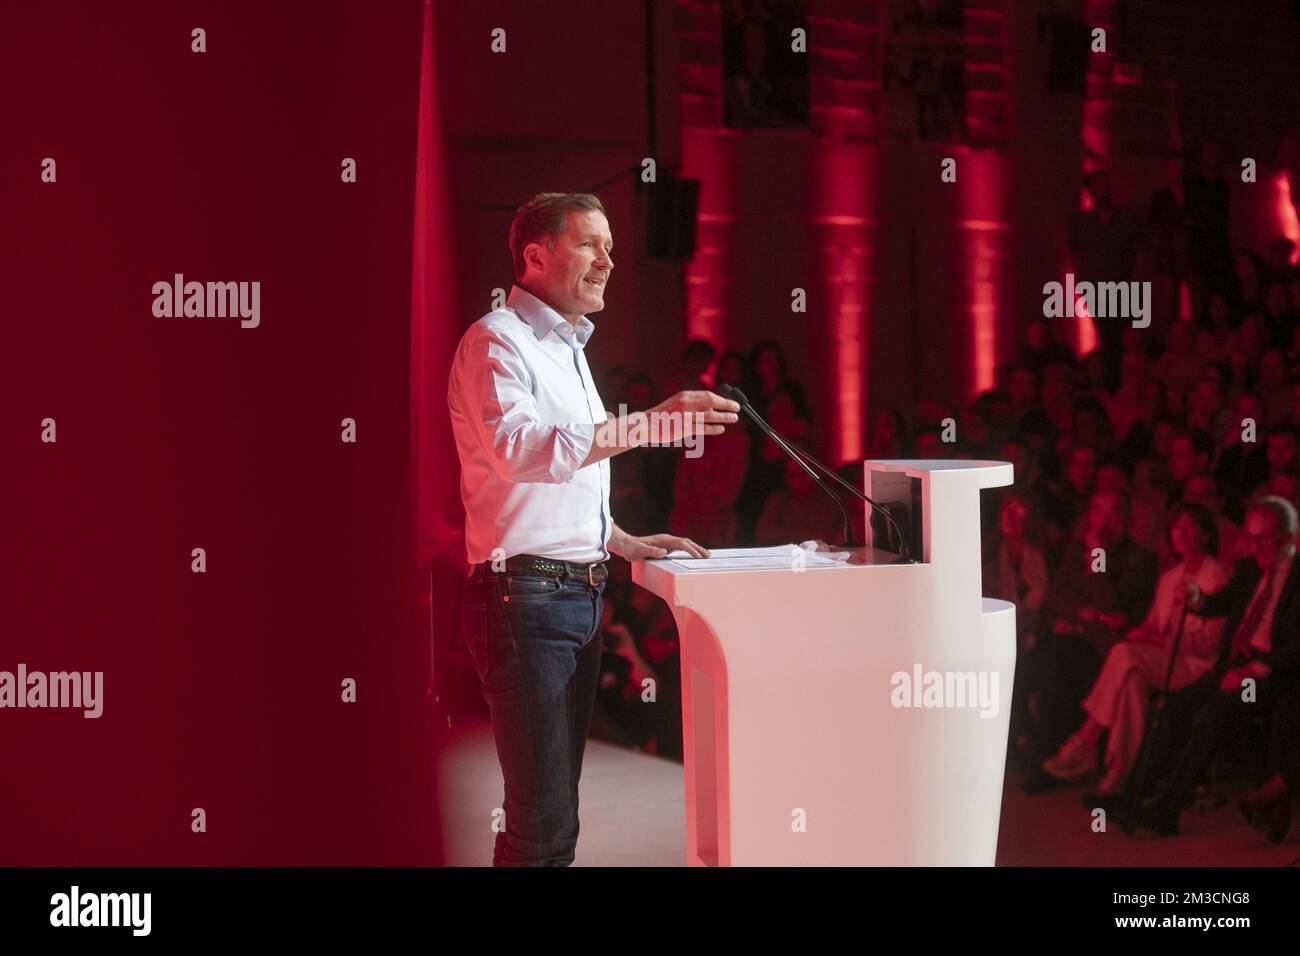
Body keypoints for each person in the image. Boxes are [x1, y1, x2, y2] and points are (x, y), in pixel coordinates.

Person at [446, 191, 740, 865]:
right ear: (535, 255)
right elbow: (519, 452)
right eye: (591, 244)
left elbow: (564, 477)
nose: (608, 260)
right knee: (544, 825)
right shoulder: (497, 340)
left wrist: (619, 538)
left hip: (573, 596)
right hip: (524, 601)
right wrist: (651, 423)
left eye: (609, 245)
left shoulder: (568, 348)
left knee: (549, 819)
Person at [1117, 496, 1300, 839]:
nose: (1255, 545)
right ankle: (1132, 796)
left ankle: (1167, 809)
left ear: (1290, 538)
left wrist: (1255, 669)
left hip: (1274, 674)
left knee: (1213, 713)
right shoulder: (1250, 569)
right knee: (1172, 706)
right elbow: (1221, 603)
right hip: (1236, 664)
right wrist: (1199, 599)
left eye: (1265, 537)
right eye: (1250, 536)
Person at [1040, 503, 1229, 795]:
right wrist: (1088, 615)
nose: (1105, 520)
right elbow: (1056, 593)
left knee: (1122, 657)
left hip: (1170, 658)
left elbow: (1109, 600)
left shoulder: (1148, 561)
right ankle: (1119, 772)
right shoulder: (1168, 578)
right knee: (1128, 680)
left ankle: (1085, 741)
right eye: (1099, 512)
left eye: (1113, 513)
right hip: (1138, 655)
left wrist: (1097, 555)